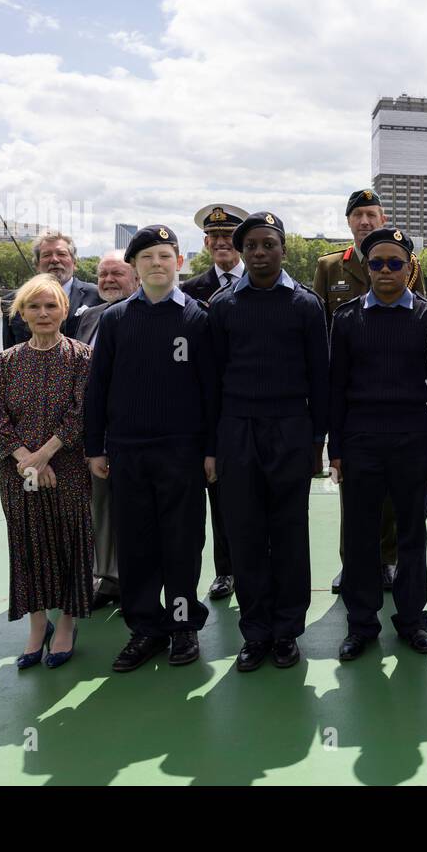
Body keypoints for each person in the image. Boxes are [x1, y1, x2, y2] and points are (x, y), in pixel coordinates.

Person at [85, 225, 218, 671]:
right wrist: (95, 447)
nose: (156, 264)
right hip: (128, 451)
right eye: (147, 258)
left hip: (182, 452)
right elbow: (97, 388)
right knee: (137, 544)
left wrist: (210, 449)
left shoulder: (199, 318)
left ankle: (182, 626)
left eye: (165, 256)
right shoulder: (116, 319)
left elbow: (211, 390)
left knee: (182, 543)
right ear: (134, 267)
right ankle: (146, 628)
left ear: (179, 263)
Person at [209, 210, 328, 671]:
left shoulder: (305, 305)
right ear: (241, 252)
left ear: (283, 249)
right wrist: (213, 445)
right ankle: (255, 632)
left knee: (290, 531)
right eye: (252, 246)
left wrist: (318, 437)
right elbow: (212, 380)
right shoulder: (222, 306)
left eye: (268, 244)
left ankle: (287, 630)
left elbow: (321, 376)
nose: (260, 252)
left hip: (290, 429)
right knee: (245, 535)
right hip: (237, 429)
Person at [328, 227, 427, 660]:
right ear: (365, 267)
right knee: (361, 537)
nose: (385, 270)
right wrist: (335, 449)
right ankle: (362, 624)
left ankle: (412, 621)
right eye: (376, 263)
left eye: (394, 262)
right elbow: (335, 388)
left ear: (409, 267)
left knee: (412, 535)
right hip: (360, 441)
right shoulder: (346, 319)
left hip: (413, 440)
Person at [314, 189, 426, 593]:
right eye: (357, 215)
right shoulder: (330, 266)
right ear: (349, 222)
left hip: (399, 400)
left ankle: (390, 560)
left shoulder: (407, 260)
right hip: (353, 392)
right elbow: (323, 326)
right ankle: (355, 564)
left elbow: (421, 319)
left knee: (394, 501)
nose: (364, 221)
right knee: (355, 497)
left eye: (371, 214)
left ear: (383, 218)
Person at [0, 274, 94, 668]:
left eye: (51, 306)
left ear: (64, 310)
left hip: (67, 467)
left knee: (69, 543)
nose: (43, 313)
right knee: (28, 545)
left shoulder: (83, 358)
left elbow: (81, 412)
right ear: (21, 313)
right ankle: (36, 625)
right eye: (35, 306)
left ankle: (65, 623)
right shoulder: (4, 363)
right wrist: (26, 461)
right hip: (18, 472)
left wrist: (45, 456)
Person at [181, 203, 248, 601]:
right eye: (215, 237)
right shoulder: (190, 292)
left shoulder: (259, 280)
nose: (222, 243)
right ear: (206, 243)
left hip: (248, 404)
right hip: (208, 409)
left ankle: (256, 564)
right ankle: (225, 571)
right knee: (216, 495)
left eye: (228, 237)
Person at [75, 251, 138, 610]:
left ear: (136, 277)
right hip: (95, 432)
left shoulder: (140, 313)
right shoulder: (89, 318)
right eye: (103, 275)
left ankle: (134, 578)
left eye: (117, 273)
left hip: (132, 430)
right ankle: (108, 577)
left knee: (133, 508)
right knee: (100, 507)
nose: (109, 281)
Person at [0, 231, 101, 348]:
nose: (54, 260)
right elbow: (8, 348)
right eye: (46, 255)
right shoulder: (12, 301)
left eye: (61, 254)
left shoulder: (97, 296)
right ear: (37, 264)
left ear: (74, 262)